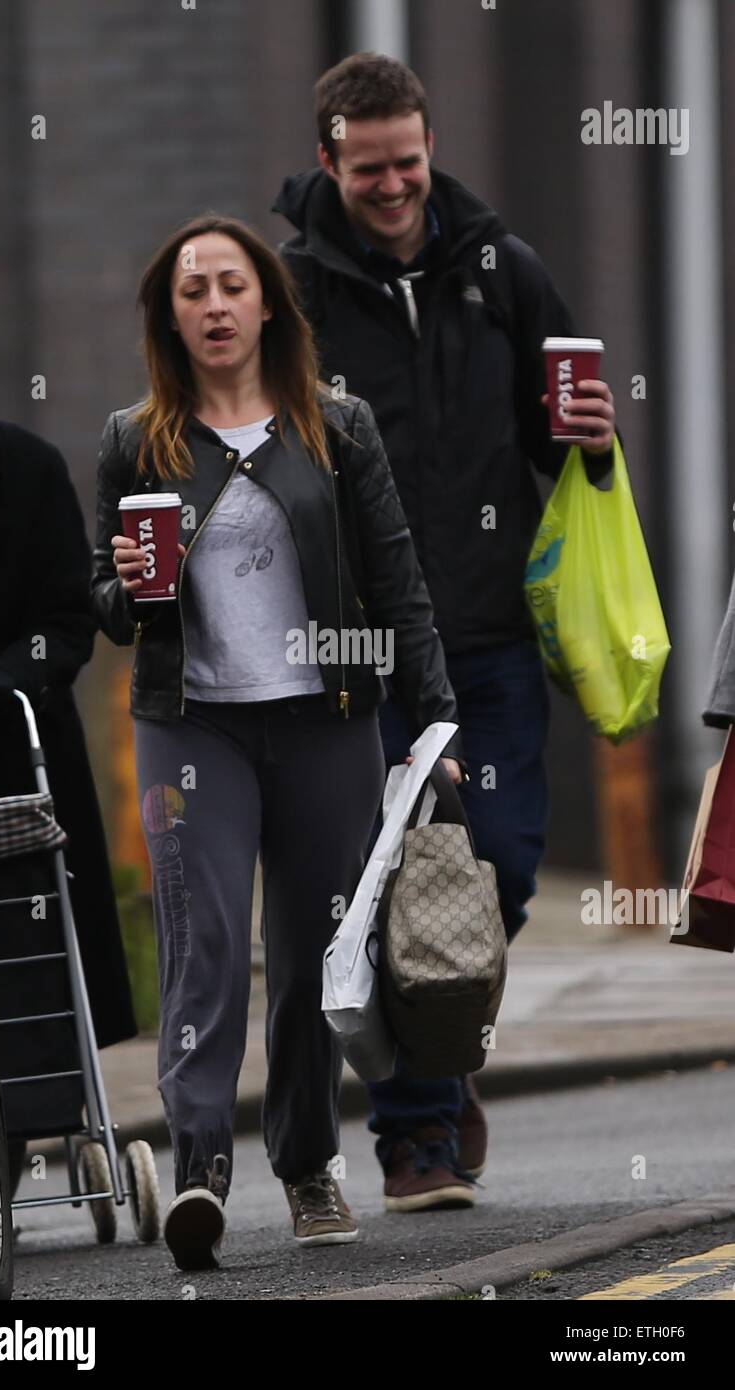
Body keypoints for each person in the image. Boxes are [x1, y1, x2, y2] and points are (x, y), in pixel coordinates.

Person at [273, 51, 618, 1212]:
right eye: (367, 168)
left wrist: (592, 438)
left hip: (484, 627)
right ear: (328, 160)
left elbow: (559, 439)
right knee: (385, 886)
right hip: (359, 647)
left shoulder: (498, 270)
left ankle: (434, 1043)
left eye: (407, 164)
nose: (390, 187)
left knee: (499, 865)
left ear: (429, 151)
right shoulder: (293, 292)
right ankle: (416, 1135)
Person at [90, 212, 465, 1271]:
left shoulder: (334, 428)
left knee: (312, 954)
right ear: (170, 316)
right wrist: (127, 582)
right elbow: (104, 609)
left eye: (231, 285)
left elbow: (394, 581)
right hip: (192, 724)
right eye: (192, 290)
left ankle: (305, 1163)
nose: (213, 305)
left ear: (266, 303)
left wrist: (432, 722)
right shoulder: (135, 438)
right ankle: (201, 1169)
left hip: (325, 722)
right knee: (203, 941)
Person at [0, 284, 137, 1082]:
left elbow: (68, 619)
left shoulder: (25, 466)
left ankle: (48, 1100)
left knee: (26, 949)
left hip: (13, 745)